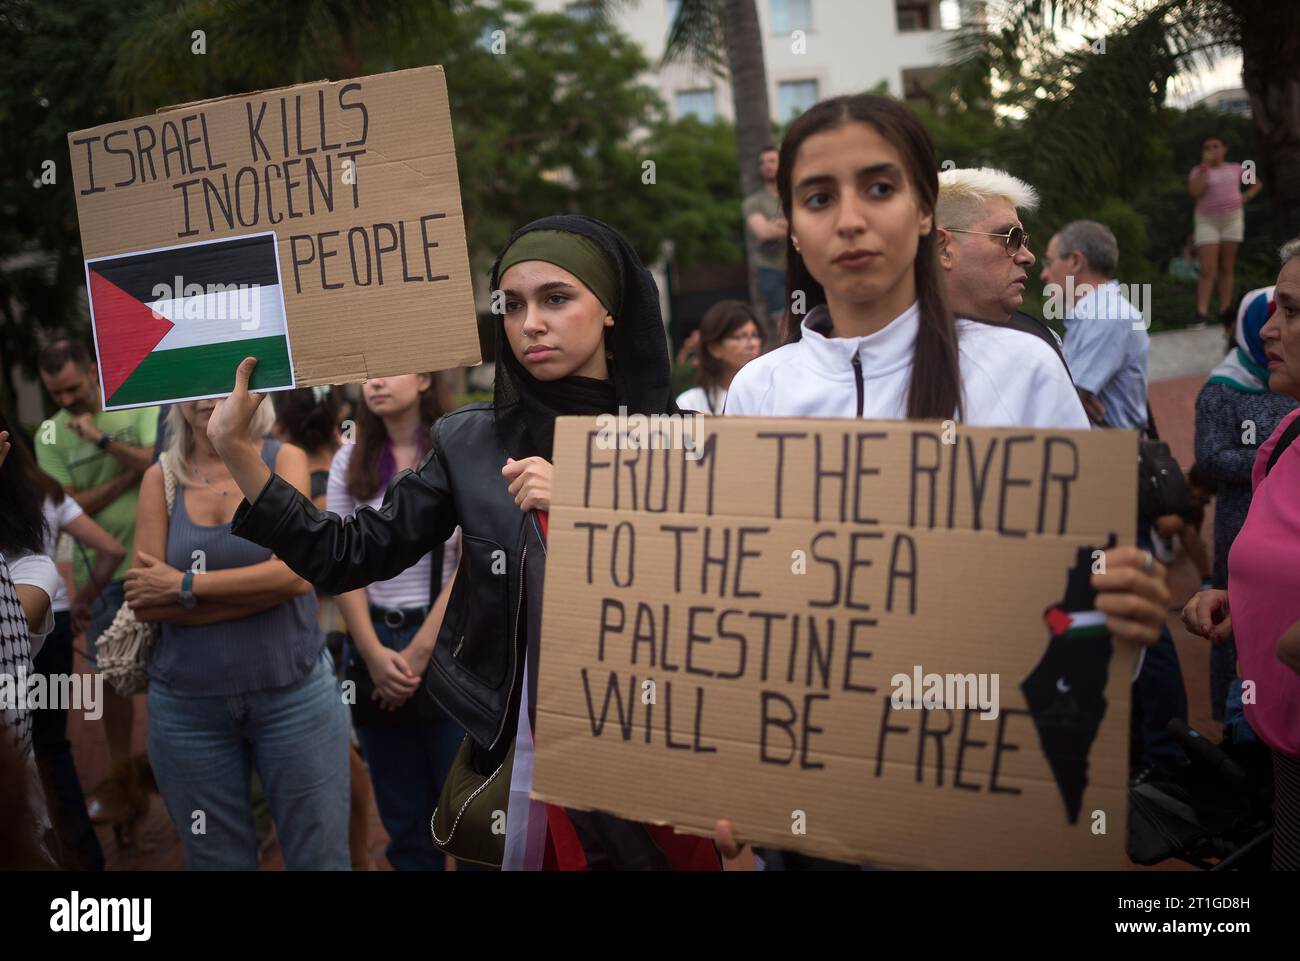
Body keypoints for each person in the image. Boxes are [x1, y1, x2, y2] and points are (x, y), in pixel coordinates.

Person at [719, 93, 1173, 865]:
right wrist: (729, 768)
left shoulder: (1021, 366)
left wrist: (1117, 619)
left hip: (989, 804)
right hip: (815, 809)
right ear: (792, 228)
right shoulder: (759, 389)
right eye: (820, 197)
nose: (851, 218)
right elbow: (738, 598)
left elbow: (1084, 587)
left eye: (880, 187)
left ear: (926, 211)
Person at [210, 214, 720, 870]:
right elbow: (348, 554)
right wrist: (237, 451)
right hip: (529, 764)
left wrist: (591, 499)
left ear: (613, 308)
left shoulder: (687, 442)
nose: (529, 322)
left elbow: (721, 591)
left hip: (665, 752)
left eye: (555, 298)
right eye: (511, 305)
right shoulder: (471, 441)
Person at [127, 400, 349, 870]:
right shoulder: (159, 478)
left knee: (320, 855)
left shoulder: (282, 458)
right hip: (188, 712)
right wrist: (258, 592)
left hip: (294, 696)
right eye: (193, 385)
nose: (207, 398)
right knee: (216, 860)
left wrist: (186, 587)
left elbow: (296, 575)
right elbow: (146, 601)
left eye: (222, 382)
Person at [1182, 237, 1300, 870]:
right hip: (1283, 745)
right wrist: (1235, 599)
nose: (1269, 328)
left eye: (1291, 310)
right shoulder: (1287, 435)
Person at [326, 372, 464, 870]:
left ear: (426, 377)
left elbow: (473, 561)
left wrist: (418, 652)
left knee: (469, 816)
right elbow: (339, 563)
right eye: (365, 375)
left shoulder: (456, 452)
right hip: (374, 641)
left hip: (448, 640)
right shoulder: (350, 458)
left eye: (388, 369)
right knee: (405, 826)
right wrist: (372, 652)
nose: (374, 382)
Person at [0, 413, 121, 869]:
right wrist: (83, 601)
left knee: (25, 747)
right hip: (53, 615)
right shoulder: (48, 492)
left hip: (22, 616)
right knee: (51, 745)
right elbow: (110, 549)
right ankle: (84, 856)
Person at [35, 339, 158, 777]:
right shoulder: (48, 435)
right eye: (56, 394)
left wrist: (102, 440)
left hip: (156, 564)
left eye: (73, 388)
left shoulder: (135, 401)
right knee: (111, 683)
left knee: (166, 675)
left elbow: (158, 460)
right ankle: (123, 780)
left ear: (92, 371)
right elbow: (67, 507)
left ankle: (172, 772)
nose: (67, 401)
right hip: (103, 579)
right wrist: (133, 472)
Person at [1194, 285, 1298, 719]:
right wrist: (1267, 456)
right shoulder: (1223, 388)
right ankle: (1230, 711)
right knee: (1233, 611)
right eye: (1267, 316)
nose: (1268, 331)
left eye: (1289, 312)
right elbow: (1210, 458)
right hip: (1239, 510)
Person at [934, 166, 1066, 365]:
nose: (1028, 257)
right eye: (1011, 237)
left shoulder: (1041, 345)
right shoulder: (878, 348)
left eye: (1023, 240)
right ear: (943, 248)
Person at [1040, 221, 1149, 429]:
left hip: (1108, 455)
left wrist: (1072, 394)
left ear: (1075, 261)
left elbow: (1062, 402)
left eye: (1049, 262)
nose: (1044, 274)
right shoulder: (1096, 315)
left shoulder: (1108, 317)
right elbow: (1070, 398)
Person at [1188, 135, 1263, 329]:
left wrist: (1245, 196)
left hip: (1232, 219)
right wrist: (1204, 167)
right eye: (1207, 147)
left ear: (1224, 148)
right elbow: (1196, 192)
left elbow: (1257, 183)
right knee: (1207, 268)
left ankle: (1226, 310)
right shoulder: (1198, 171)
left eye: (1216, 146)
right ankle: (1201, 313)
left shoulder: (1236, 168)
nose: (1212, 150)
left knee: (1227, 266)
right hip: (1207, 220)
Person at [675, 300, 765, 414]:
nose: (752, 344)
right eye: (740, 337)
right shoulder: (690, 403)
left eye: (755, 335)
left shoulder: (770, 395)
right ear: (714, 348)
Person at [744, 145, 789, 327]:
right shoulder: (754, 201)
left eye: (772, 161)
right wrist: (792, 223)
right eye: (763, 163)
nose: (767, 166)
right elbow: (763, 232)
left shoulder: (795, 195)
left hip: (800, 265)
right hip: (771, 269)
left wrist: (776, 223)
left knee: (807, 313)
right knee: (783, 321)